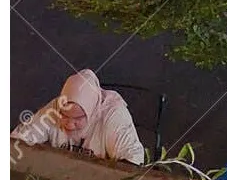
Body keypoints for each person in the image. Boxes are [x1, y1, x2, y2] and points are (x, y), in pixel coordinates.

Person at [11, 69, 144, 165]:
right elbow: (18, 140)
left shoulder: (112, 114)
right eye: (64, 115)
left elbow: (133, 159)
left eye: (78, 119)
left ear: (91, 111)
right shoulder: (56, 107)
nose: (69, 125)